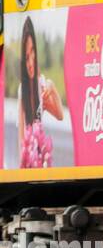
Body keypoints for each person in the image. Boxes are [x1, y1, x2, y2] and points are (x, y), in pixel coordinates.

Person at [17, 17, 64, 168]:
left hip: (41, 160)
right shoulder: (21, 91)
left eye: (32, 53)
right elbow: (21, 141)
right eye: (26, 57)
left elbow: (60, 115)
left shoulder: (42, 85)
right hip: (28, 162)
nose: (30, 62)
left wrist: (53, 87)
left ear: (37, 52)